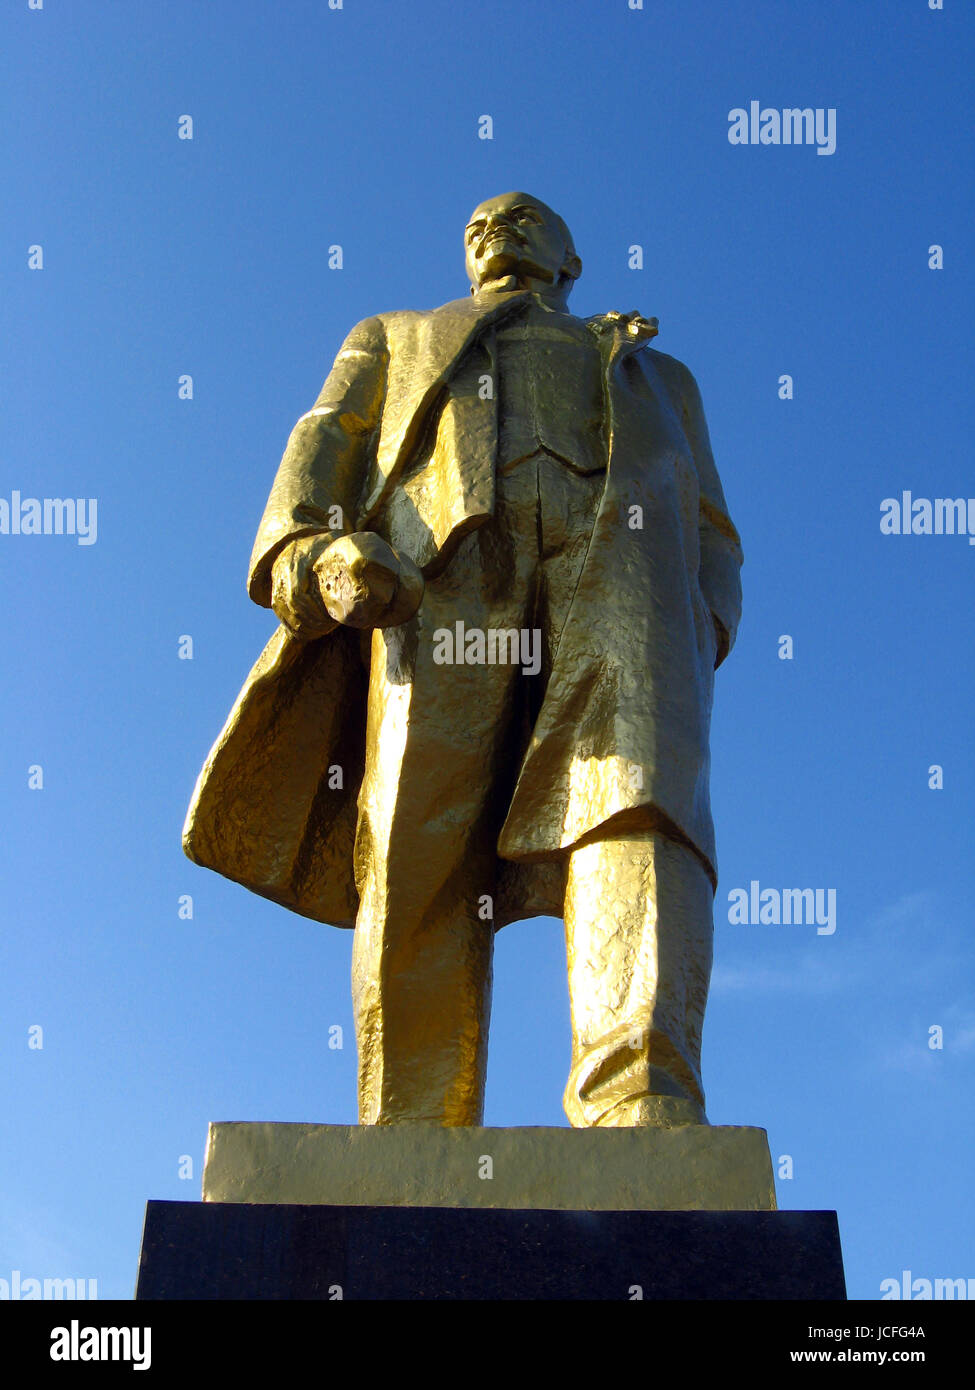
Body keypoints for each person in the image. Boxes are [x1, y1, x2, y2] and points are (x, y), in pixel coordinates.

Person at [183, 191, 743, 1129]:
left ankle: (640, 1105)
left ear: (571, 260)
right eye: (476, 225)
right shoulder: (395, 335)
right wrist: (308, 553)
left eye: (523, 219)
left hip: (622, 582)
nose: (493, 232)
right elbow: (325, 436)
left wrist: (701, 616)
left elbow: (710, 522)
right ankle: (411, 1122)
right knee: (415, 829)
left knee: (639, 808)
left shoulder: (660, 375)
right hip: (436, 572)